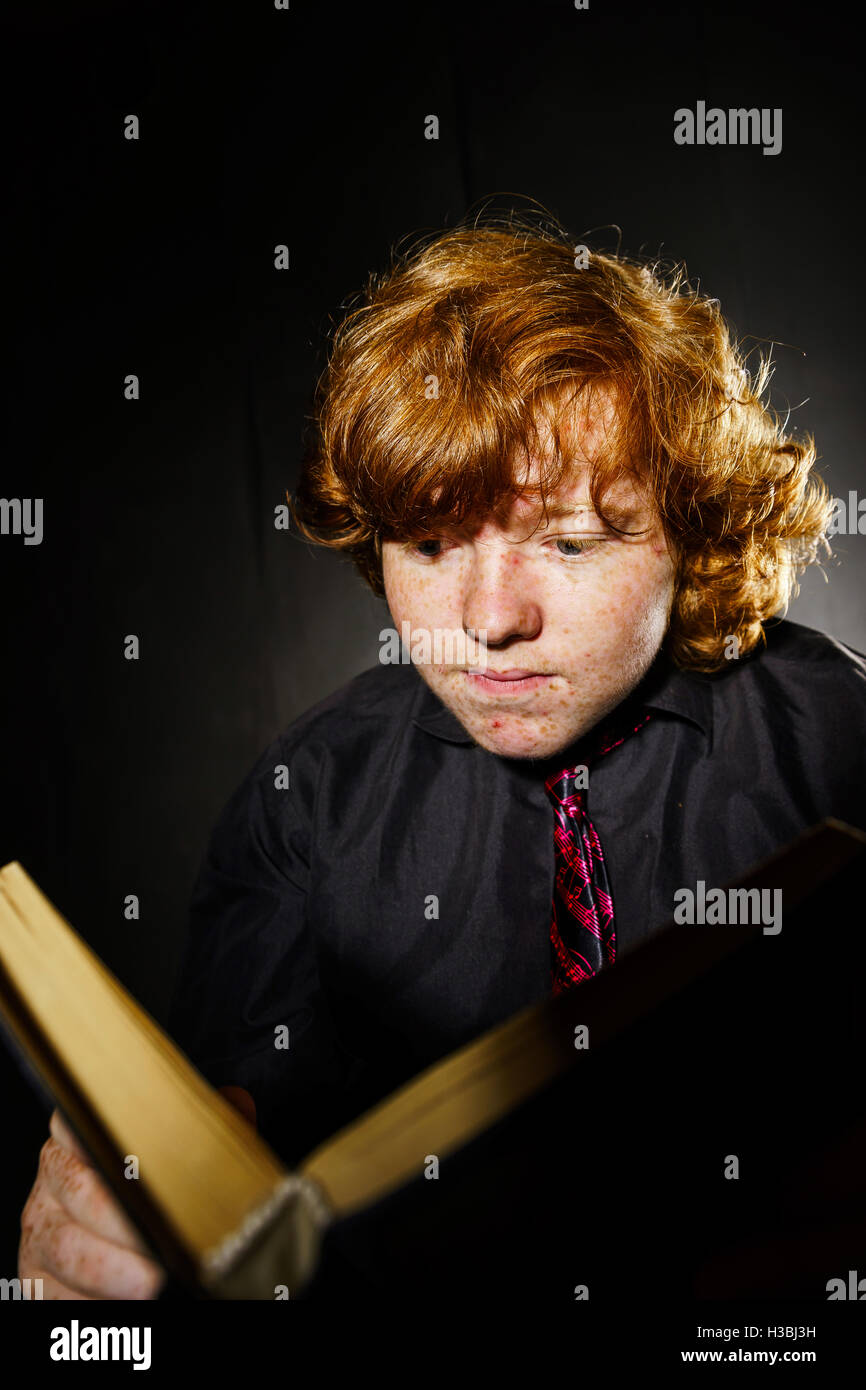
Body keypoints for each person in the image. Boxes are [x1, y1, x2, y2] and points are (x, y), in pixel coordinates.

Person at [18, 212, 866, 1299]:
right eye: (426, 543)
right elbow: (224, 1179)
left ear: (691, 524)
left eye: (565, 542)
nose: (485, 619)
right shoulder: (307, 798)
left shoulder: (841, 733)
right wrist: (95, 1257)